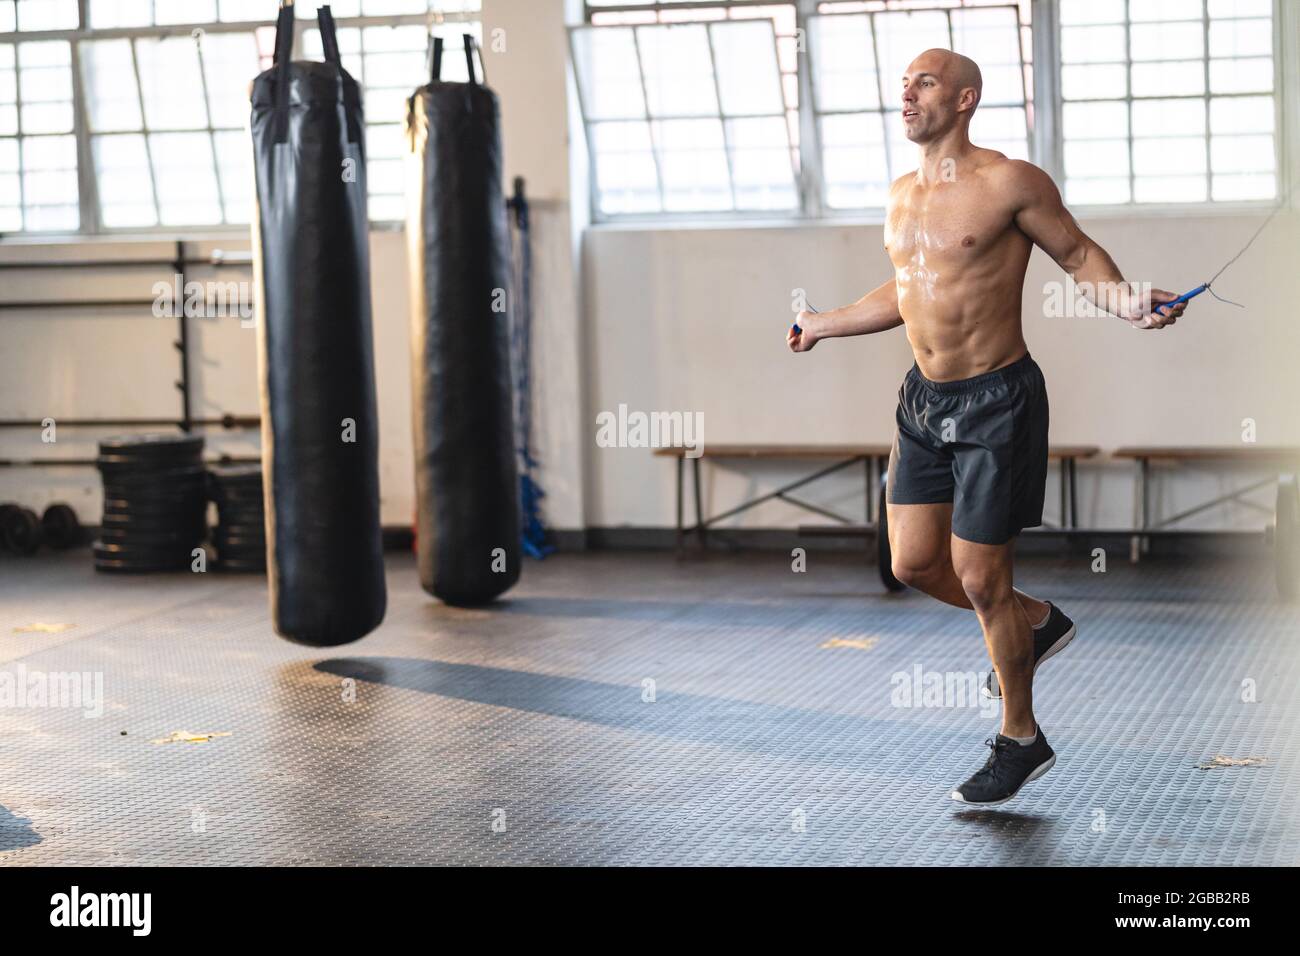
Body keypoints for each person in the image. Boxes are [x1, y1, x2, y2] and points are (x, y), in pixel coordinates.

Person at [787, 48, 1187, 806]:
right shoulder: (902, 194)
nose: (906, 95)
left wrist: (1127, 299)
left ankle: (1019, 737)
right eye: (903, 84)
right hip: (922, 401)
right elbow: (909, 287)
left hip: (997, 403)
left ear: (965, 98)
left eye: (925, 83)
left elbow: (1076, 253)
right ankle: (1032, 623)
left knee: (978, 577)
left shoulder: (1009, 183)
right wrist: (824, 323)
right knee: (913, 565)